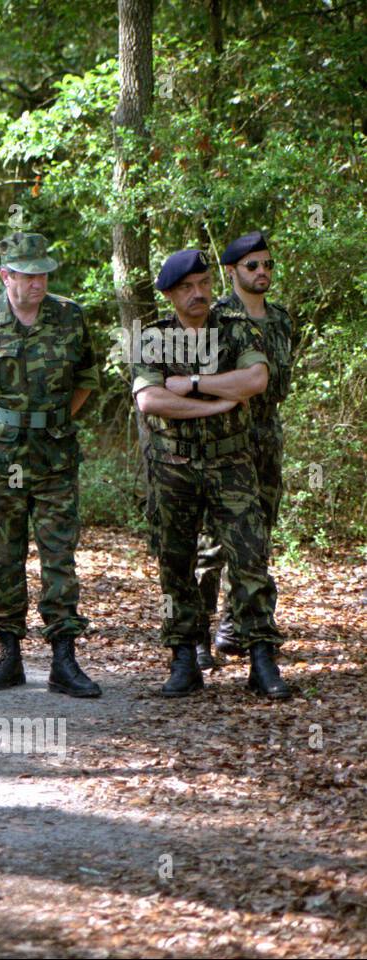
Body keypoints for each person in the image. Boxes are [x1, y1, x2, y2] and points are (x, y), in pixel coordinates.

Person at [0, 232, 101, 698]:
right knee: (2, 554)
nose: (38, 283)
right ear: (5, 276)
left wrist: (54, 420)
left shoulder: (70, 316)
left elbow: (87, 378)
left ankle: (63, 659)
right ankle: (8, 654)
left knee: (59, 555)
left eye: (44, 275)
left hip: (54, 456)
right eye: (29, 275)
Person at [132, 248, 289, 698]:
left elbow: (256, 380)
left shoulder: (235, 329)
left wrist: (196, 386)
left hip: (232, 461)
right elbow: (150, 400)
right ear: (169, 294)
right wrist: (220, 404)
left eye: (203, 284)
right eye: (187, 287)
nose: (198, 293)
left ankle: (261, 657)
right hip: (173, 466)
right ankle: (184, 656)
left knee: (250, 557)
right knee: (176, 563)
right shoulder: (154, 337)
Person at [193, 231, 294, 668]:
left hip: (266, 436)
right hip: (224, 436)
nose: (262, 272)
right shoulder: (214, 319)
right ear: (232, 271)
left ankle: (236, 627)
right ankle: (197, 634)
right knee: (213, 542)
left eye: (268, 264)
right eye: (253, 265)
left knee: (259, 536)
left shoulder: (281, 319)